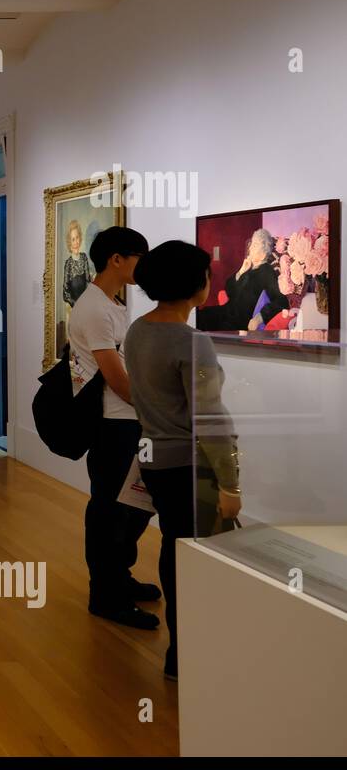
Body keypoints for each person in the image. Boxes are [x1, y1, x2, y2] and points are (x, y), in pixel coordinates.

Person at [125, 240, 241, 681]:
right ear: (197, 285)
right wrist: (230, 484)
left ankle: (183, 652)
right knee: (198, 561)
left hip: (155, 461)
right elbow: (211, 419)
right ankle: (191, 656)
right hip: (191, 468)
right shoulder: (191, 341)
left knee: (176, 552)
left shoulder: (138, 329)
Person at [67, 226, 157, 630]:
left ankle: (118, 577)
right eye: (140, 255)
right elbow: (116, 378)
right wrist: (155, 406)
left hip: (126, 421)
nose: (145, 264)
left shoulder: (111, 303)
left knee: (131, 507)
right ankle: (105, 595)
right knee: (109, 510)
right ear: (116, 259)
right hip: (112, 423)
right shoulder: (94, 308)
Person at [196, 228, 287, 331]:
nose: (250, 248)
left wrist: (259, 318)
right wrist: (241, 271)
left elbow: (281, 301)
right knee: (201, 315)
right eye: (252, 243)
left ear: (264, 251)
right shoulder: (248, 267)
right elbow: (229, 290)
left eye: (255, 245)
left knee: (202, 322)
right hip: (227, 312)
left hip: (239, 322)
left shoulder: (267, 271)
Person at [63, 220, 96, 309]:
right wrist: (76, 305)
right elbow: (66, 293)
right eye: (73, 239)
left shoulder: (84, 257)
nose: (76, 242)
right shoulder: (68, 264)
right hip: (74, 305)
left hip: (85, 302)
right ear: (69, 243)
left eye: (77, 238)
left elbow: (87, 281)